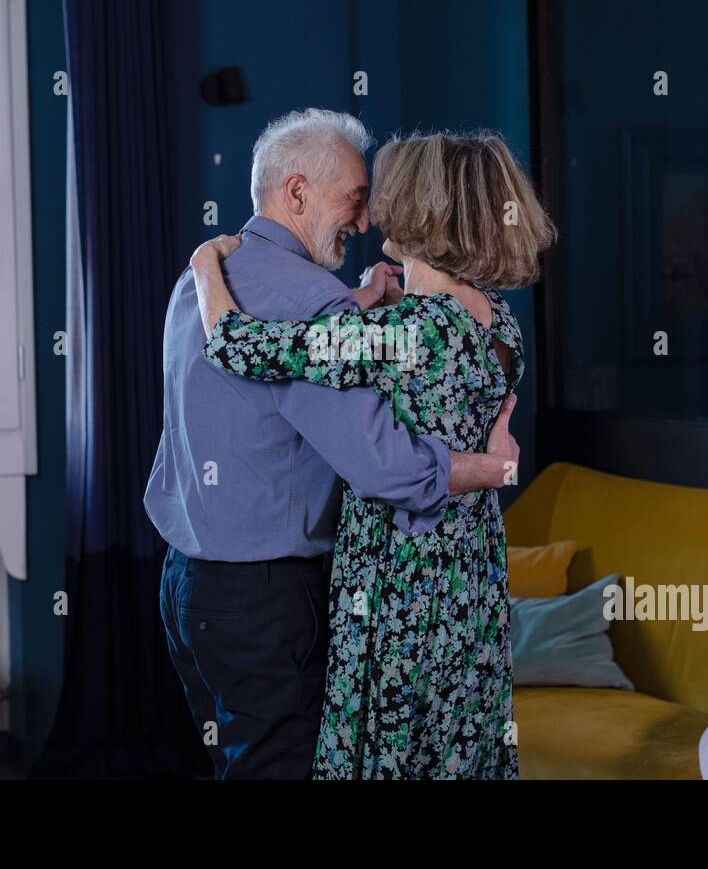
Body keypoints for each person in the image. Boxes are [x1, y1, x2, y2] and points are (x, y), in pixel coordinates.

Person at [145, 110, 519, 779]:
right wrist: (487, 469)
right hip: (272, 601)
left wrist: (206, 262)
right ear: (297, 192)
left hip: (188, 588)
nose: (366, 220)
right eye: (354, 196)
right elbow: (388, 466)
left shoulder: (208, 280)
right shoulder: (487, 319)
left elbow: (249, 349)